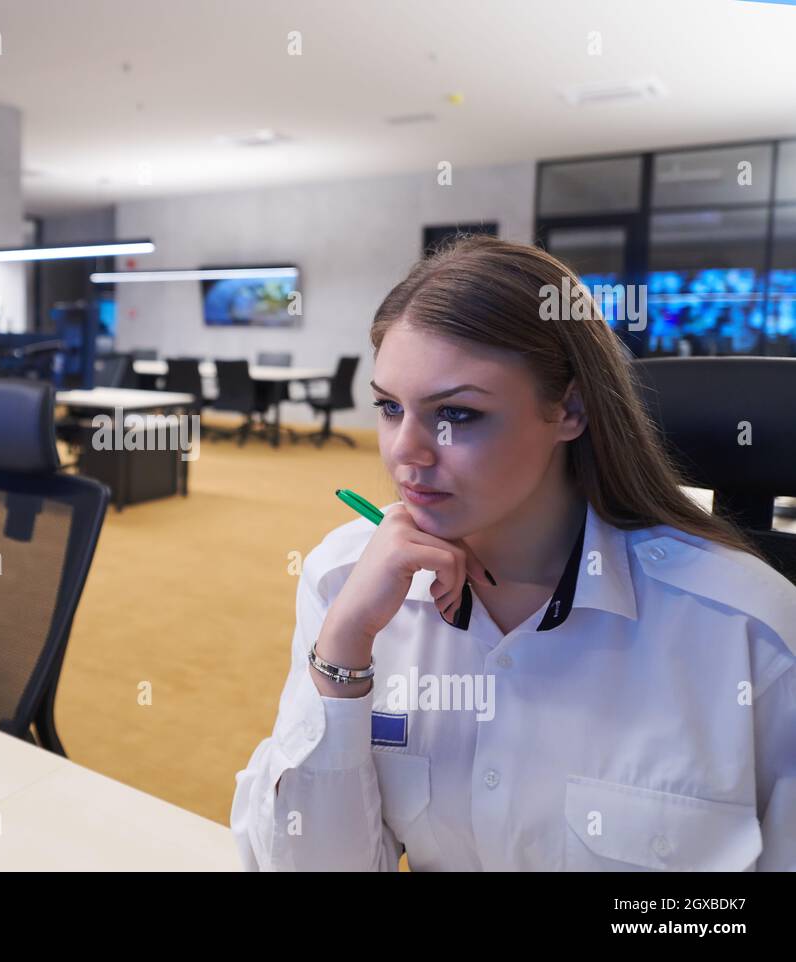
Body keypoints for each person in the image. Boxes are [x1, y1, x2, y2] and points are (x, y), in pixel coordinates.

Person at [230, 236, 795, 871]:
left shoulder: (750, 632)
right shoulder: (346, 580)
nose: (405, 454)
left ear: (570, 409)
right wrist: (342, 652)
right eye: (390, 407)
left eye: (458, 414)